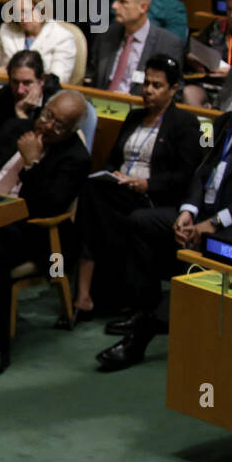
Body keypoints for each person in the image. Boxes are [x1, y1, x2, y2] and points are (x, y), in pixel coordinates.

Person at [100, 54, 232, 370]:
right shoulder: (223, 122)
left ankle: (142, 334)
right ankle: (143, 308)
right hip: (206, 212)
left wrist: (213, 223)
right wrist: (189, 211)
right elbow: (201, 173)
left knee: (210, 248)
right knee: (142, 222)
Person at [0, 89, 90, 377]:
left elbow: (47, 207)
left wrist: (32, 164)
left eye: (59, 125)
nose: (47, 125)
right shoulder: (16, 129)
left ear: (71, 131)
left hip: (30, 232)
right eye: (47, 115)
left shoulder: (75, 158)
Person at [72, 54, 203, 321]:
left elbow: (185, 176)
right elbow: (112, 159)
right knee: (90, 192)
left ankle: (95, 296)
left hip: (151, 197)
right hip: (120, 189)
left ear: (173, 89)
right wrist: (111, 174)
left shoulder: (184, 124)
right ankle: (89, 295)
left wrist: (147, 184)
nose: (148, 91)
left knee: (96, 205)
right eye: (146, 83)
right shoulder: (134, 117)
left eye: (157, 85)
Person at [86, 0, 185, 95]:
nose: (114, 6)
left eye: (123, 2)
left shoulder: (167, 44)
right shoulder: (106, 34)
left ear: (143, 7)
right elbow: (91, 78)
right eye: (115, 0)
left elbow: (174, 91)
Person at [0, 0, 79, 82]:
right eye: (18, 12)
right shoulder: (6, 30)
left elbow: (57, 81)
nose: (22, 18)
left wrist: (11, 74)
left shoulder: (62, 37)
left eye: (26, 11)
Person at [0, 49, 58, 148]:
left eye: (27, 83)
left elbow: (41, 150)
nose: (19, 90)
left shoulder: (56, 105)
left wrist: (21, 114)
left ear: (42, 80)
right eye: (15, 82)